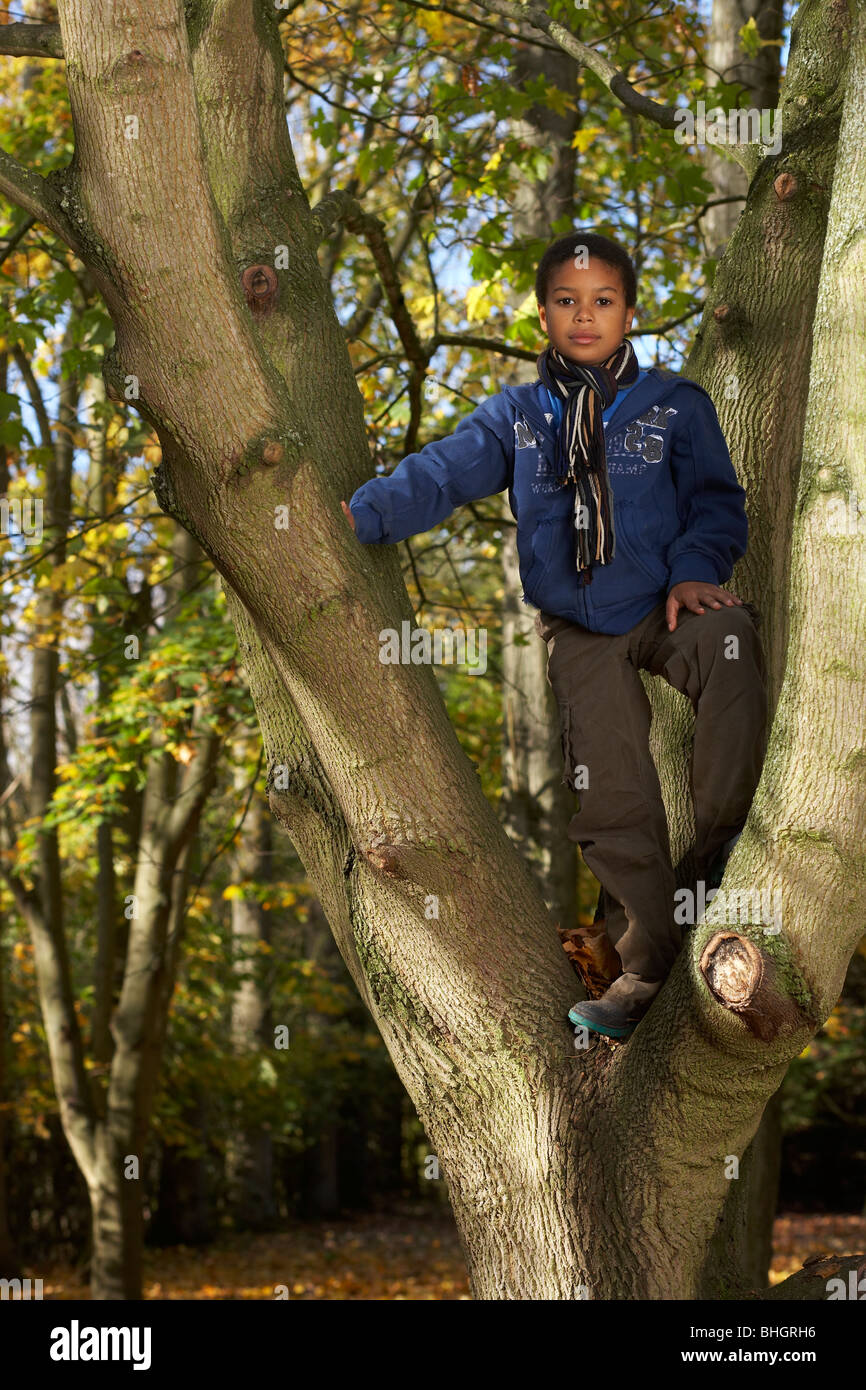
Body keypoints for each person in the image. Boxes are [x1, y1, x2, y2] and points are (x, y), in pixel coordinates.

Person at [342, 230, 768, 1041]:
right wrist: (361, 514)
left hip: (665, 599)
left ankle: (721, 860)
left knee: (732, 643)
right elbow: (441, 473)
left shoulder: (677, 405)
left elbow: (718, 502)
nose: (585, 315)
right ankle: (642, 966)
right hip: (579, 623)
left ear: (630, 313)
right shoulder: (518, 416)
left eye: (602, 301)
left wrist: (693, 568)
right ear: (543, 315)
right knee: (611, 785)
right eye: (567, 302)